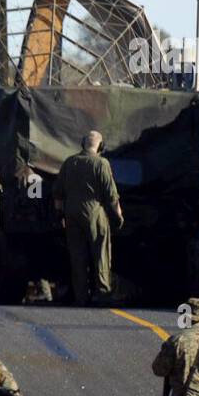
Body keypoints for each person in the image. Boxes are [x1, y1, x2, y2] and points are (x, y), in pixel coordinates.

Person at [52, 130, 123, 306]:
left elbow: (58, 194)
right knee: (100, 254)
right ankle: (103, 293)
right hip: (94, 213)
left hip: (71, 213)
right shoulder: (101, 163)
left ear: (82, 143)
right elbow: (111, 195)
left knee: (77, 256)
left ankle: (81, 297)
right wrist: (118, 217)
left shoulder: (70, 162)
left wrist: (60, 215)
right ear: (101, 146)